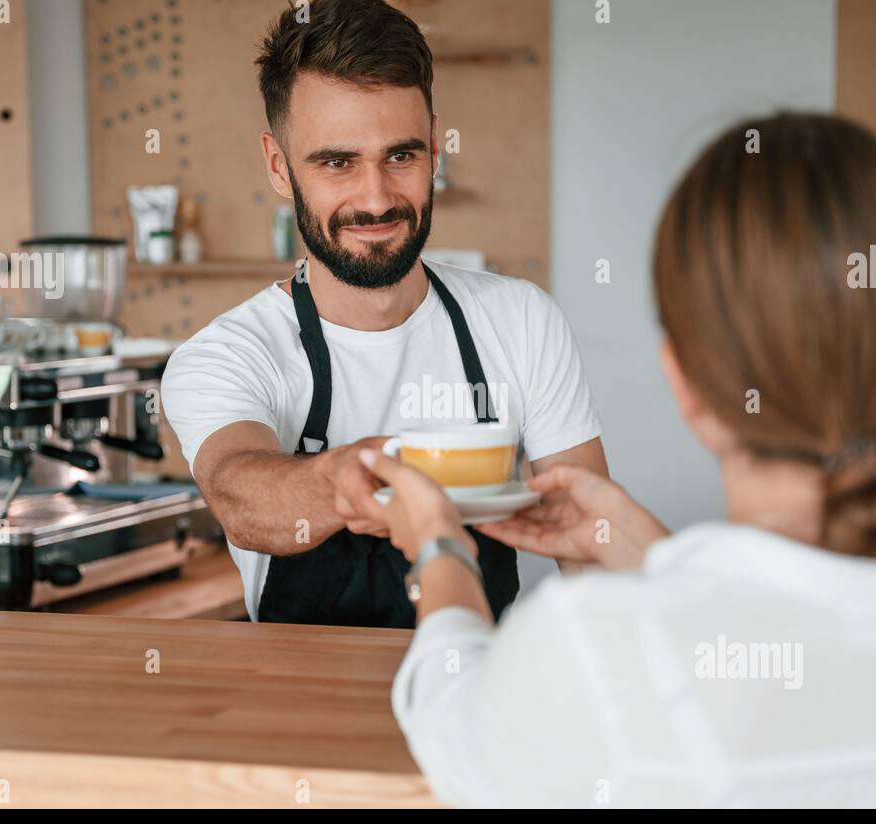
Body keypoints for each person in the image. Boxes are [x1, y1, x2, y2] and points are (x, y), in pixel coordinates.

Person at [368, 113, 876, 807]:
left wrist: (439, 547)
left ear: (682, 379)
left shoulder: (593, 649)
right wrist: (643, 550)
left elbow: (453, 719)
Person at [161, 0, 607, 626]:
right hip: (296, 713)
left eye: (401, 156)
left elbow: (591, 548)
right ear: (278, 166)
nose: (376, 199)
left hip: (479, 698)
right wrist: (346, 478)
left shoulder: (522, 320)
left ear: (434, 145)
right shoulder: (228, 354)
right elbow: (240, 496)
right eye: (337, 162)